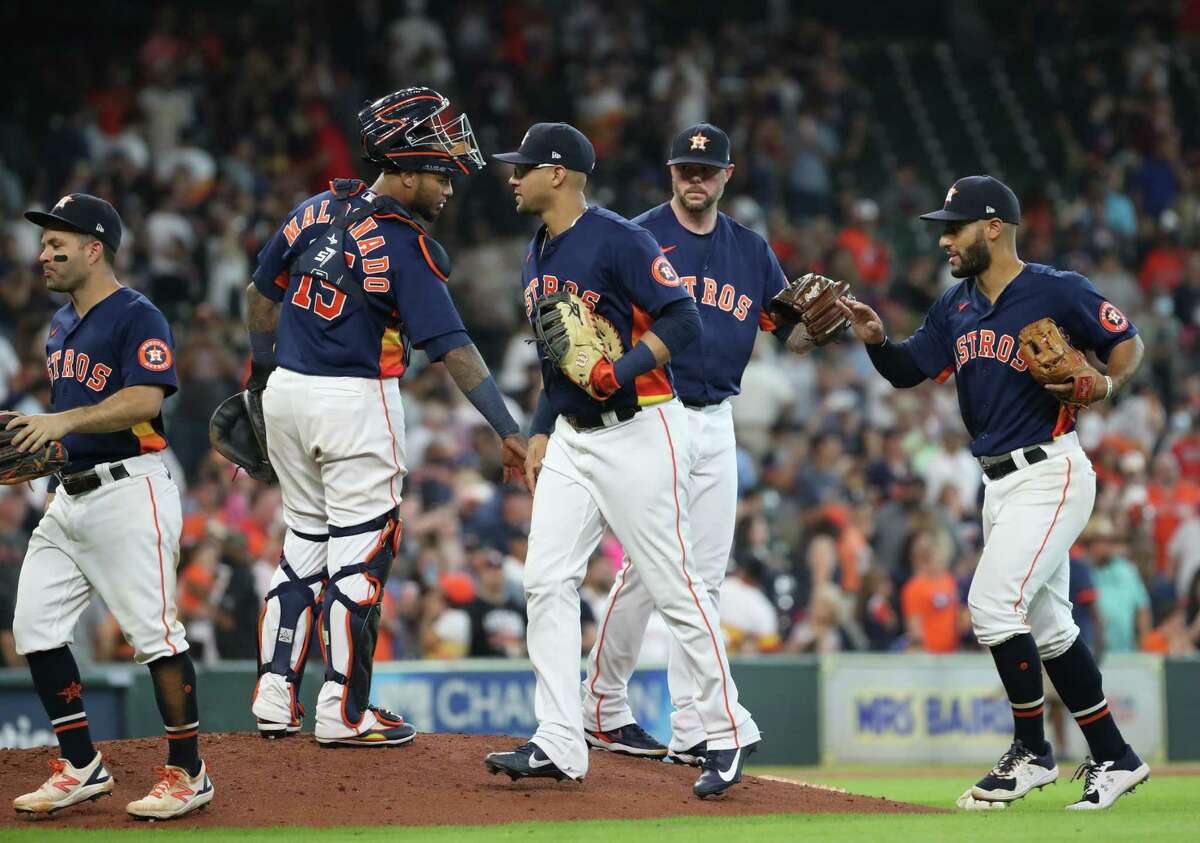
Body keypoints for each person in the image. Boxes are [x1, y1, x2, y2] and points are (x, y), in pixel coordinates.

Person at [839, 175, 1149, 810]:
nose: (945, 239)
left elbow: (1127, 345)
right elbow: (908, 371)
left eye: (954, 227)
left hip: (1051, 470)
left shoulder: (1054, 290)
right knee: (1050, 627)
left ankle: (1031, 752)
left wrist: (1104, 384)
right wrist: (876, 342)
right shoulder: (953, 306)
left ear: (995, 227)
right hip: (998, 485)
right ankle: (1116, 756)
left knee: (990, 605)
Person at [482, 123, 760, 799]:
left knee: (675, 579)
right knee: (545, 580)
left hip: (642, 426)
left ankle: (726, 730)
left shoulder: (619, 238)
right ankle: (558, 736)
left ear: (559, 174)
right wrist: (541, 430)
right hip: (575, 436)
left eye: (523, 167)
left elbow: (683, 319)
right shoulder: (536, 251)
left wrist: (622, 367)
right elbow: (557, 363)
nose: (511, 178)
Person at [245, 87, 526, 747]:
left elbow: (259, 297)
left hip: (287, 388)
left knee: (302, 549)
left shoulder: (314, 209)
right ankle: (343, 711)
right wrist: (508, 429)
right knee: (360, 557)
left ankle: (273, 693)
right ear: (403, 168)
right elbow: (453, 350)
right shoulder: (404, 244)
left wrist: (261, 378)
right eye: (439, 169)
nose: (449, 182)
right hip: (354, 399)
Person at [576, 123, 805, 766]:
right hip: (653, 410)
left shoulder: (753, 252)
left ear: (727, 176)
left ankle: (689, 729)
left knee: (702, 582)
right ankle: (602, 705)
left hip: (718, 418)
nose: (694, 179)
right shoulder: (638, 234)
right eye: (684, 169)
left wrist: (823, 325)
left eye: (706, 171)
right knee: (651, 573)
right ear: (671, 172)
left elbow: (793, 337)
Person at [10, 194, 213, 819]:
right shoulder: (60, 324)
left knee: (154, 634)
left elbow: (146, 400)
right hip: (68, 496)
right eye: (44, 244)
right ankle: (80, 764)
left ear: (94, 249)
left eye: (56, 244)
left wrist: (60, 421)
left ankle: (188, 772)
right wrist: (44, 454)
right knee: (34, 628)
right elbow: (75, 426)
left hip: (131, 491)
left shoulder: (137, 314)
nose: (43, 254)